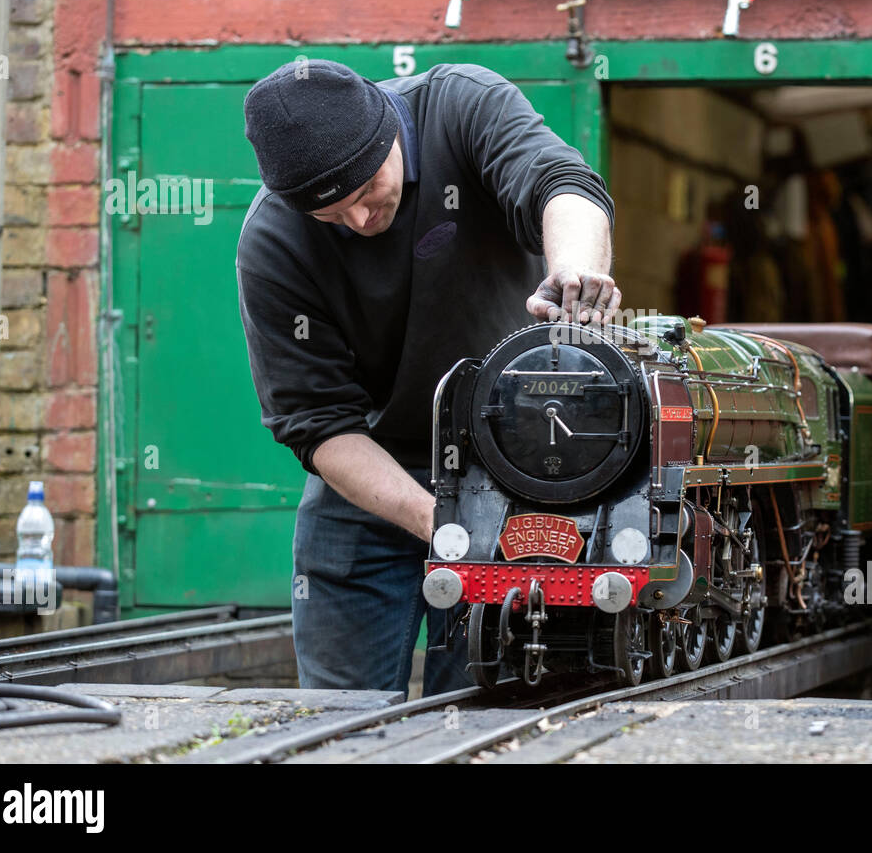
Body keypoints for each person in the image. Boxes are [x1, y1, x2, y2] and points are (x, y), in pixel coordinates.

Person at [236, 59, 619, 694]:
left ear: (389, 133)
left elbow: (561, 184)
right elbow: (319, 426)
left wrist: (574, 271)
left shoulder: (462, 107)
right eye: (332, 215)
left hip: (522, 471)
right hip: (374, 484)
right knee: (341, 723)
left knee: (492, 713)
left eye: (365, 193)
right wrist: (444, 526)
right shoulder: (273, 243)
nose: (359, 221)